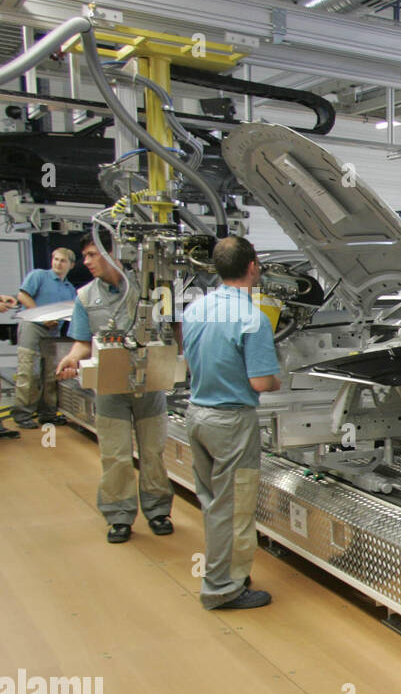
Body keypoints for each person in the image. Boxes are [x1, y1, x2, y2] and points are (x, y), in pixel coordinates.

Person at [180, 236, 281, 610]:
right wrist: (276, 379)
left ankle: (228, 570)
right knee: (235, 507)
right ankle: (224, 588)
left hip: (197, 415)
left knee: (213, 503)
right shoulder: (252, 317)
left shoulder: (195, 310)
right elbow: (260, 383)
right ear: (252, 267)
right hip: (230, 423)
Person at [55, 232, 175, 544]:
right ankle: (119, 516)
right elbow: (83, 343)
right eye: (85, 256)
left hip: (149, 384)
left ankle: (159, 510)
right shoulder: (85, 297)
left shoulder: (149, 286)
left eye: (93, 254)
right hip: (109, 387)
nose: (87, 262)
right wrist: (70, 358)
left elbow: (173, 326)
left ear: (114, 252)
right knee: (116, 454)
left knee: (153, 451)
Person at [0, 247, 77, 428]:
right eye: (55, 259)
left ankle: (48, 414)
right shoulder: (38, 276)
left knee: (51, 374)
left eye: (62, 261)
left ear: (71, 265)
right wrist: (43, 317)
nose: (58, 263)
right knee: (30, 372)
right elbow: (22, 295)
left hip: (53, 333)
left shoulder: (70, 289)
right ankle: (23, 415)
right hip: (33, 328)